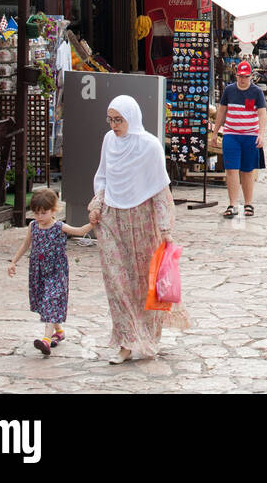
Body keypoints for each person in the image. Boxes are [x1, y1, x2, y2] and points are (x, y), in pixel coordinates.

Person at [87, 96, 190, 364]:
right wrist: (98, 202)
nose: (114, 125)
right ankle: (125, 341)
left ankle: (146, 335)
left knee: (145, 282)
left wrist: (165, 228)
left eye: (119, 119)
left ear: (131, 117)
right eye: (110, 119)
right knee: (116, 283)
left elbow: (158, 189)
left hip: (143, 221)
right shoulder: (109, 141)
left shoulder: (149, 146)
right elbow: (104, 176)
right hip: (112, 218)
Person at [8, 187, 92, 354]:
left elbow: (80, 231)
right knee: (43, 302)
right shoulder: (33, 226)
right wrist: (13, 262)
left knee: (50, 300)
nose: (40, 217)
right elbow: (26, 245)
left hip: (56, 271)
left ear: (53, 210)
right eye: (36, 213)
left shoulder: (59, 227)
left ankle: (46, 340)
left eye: (43, 213)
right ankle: (59, 332)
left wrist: (94, 222)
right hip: (38, 271)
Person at [213, 60, 267, 217]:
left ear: (250, 76)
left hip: (250, 135)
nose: (242, 79)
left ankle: (248, 203)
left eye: (245, 76)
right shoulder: (229, 91)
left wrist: (261, 134)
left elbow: (262, 113)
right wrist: (216, 132)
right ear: (236, 76)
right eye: (240, 76)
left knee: (247, 170)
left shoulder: (256, 92)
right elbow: (222, 111)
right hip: (231, 134)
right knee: (231, 169)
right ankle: (232, 204)